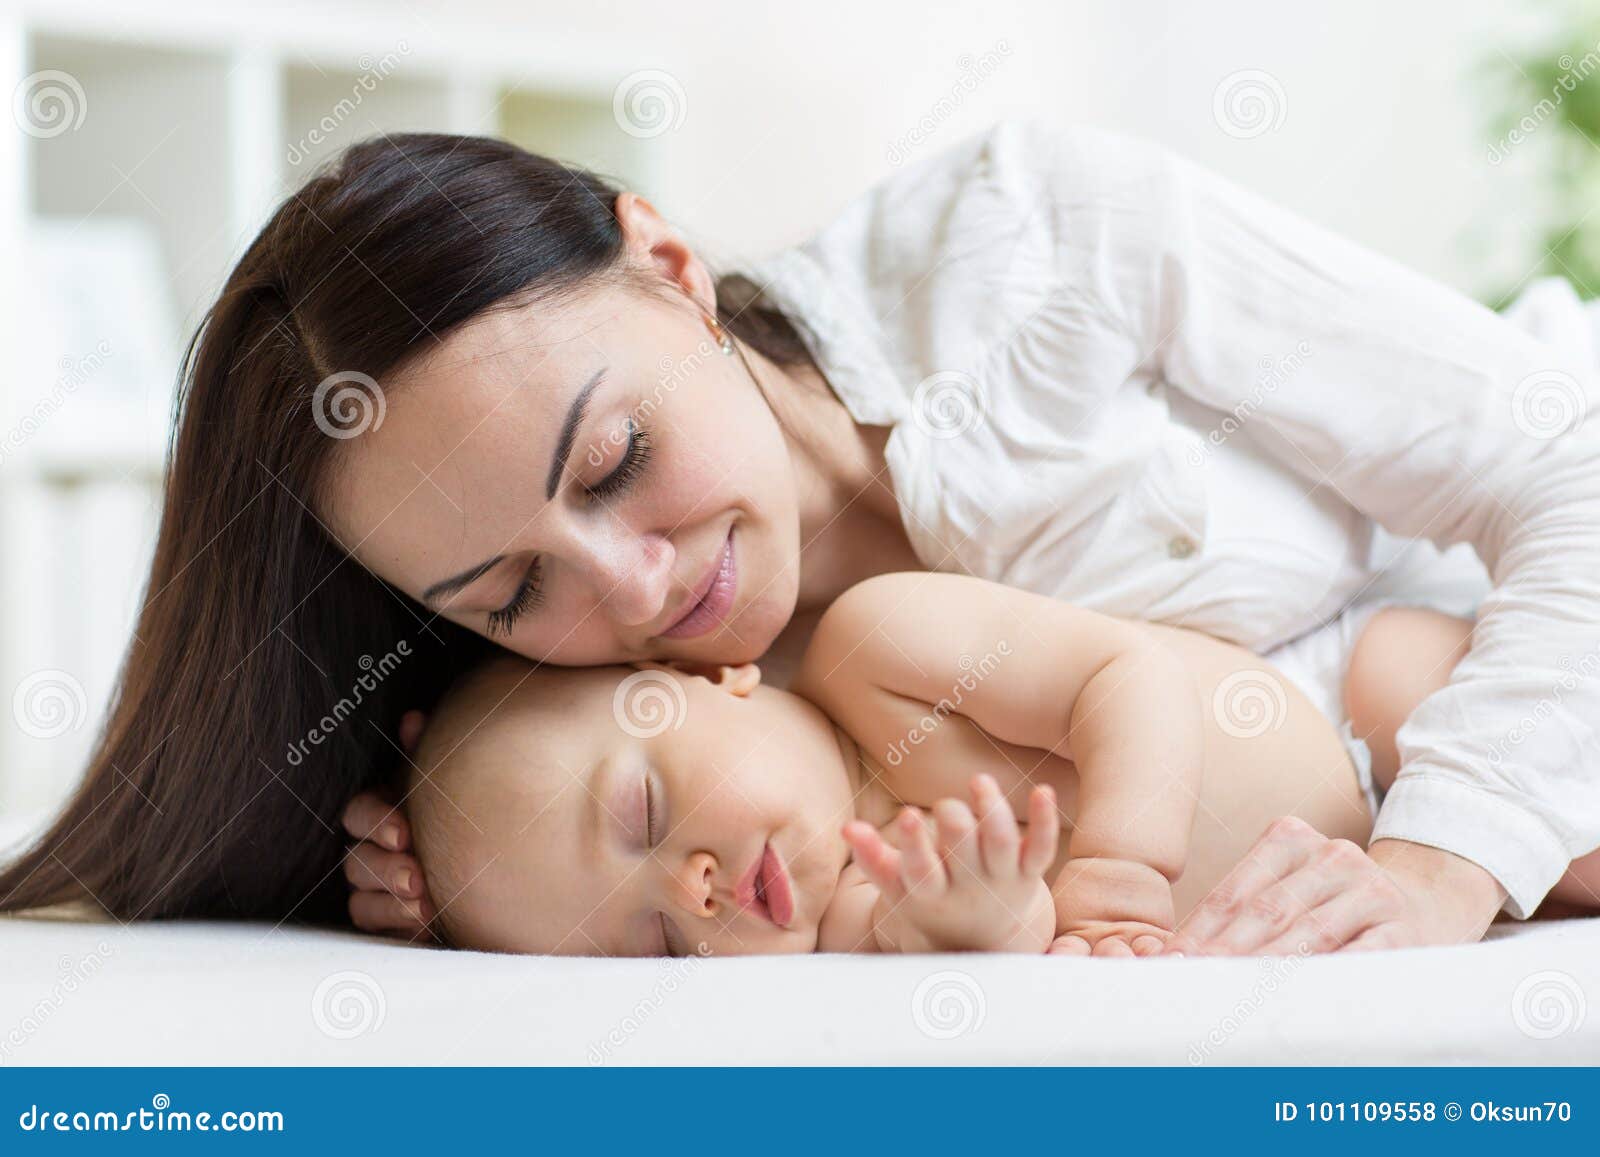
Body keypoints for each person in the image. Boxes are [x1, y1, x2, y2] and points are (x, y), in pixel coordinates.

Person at [4, 122, 1596, 958]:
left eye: (617, 459)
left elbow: (1564, 460)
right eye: (511, 592)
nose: (640, 590)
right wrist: (441, 879)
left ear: (671, 267)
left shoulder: (1040, 239)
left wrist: (1448, 863)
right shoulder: (671, 736)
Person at [398, 573, 1600, 957]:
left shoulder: (876, 647)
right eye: (658, 939)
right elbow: (1010, 938)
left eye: (644, 810)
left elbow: (1117, 674)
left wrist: (1121, 866)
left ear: (710, 675)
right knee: (1562, 873)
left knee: (1484, 729)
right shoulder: (851, 921)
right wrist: (983, 912)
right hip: (1342, 874)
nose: (692, 889)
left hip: (1339, 706)